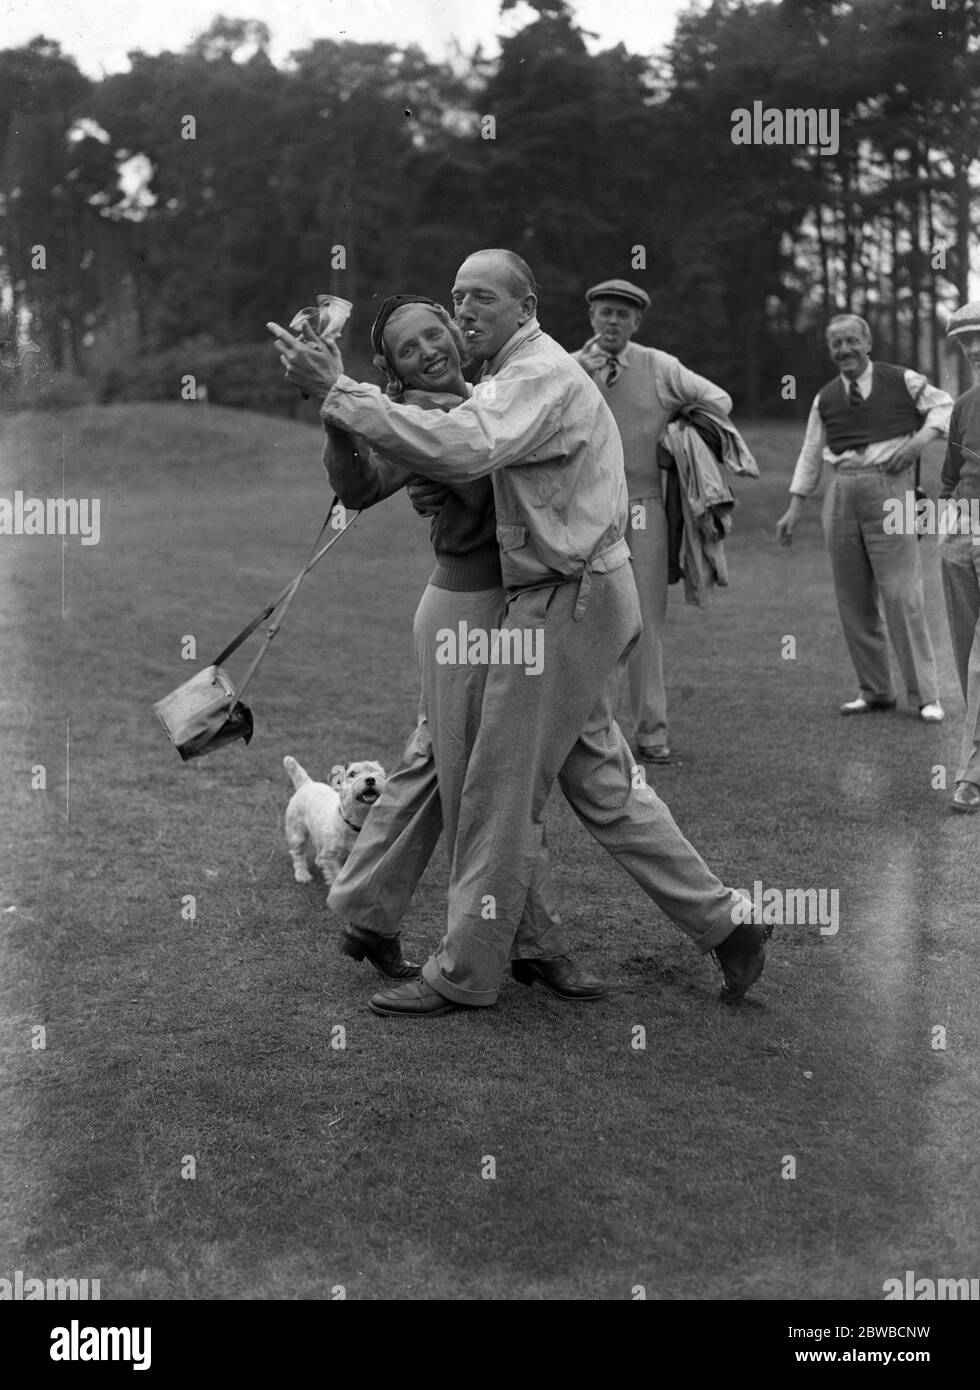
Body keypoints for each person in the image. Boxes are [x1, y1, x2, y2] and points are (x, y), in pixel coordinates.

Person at [270, 249, 770, 1018]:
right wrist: (341, 403)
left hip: (556, 603)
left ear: (526, 304)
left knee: (491, 790)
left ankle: (466, 970)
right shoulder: (496, 382)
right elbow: (378, 473)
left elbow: (467, 443)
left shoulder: (523, 380)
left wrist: (340, 390)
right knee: (596, 784)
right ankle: (724, 924)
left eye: (476, 303)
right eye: (455, 300)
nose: (459, 318)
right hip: (538, 604)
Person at [282, 294, 605, 998]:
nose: (429, 349)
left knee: (435, 768)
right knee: (488, 787)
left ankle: (370, 915)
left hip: (525, 605)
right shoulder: (420, 417)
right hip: (467, 608)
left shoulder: (494, 392)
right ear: (391, 369)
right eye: (408, 348)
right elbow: (359, 488)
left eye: (436, 333)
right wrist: (337, 416)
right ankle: (530, 943)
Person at [573, 279, 734, 763]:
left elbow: (719, 401)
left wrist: (679, 432)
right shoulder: (571, 367)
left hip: (643, 508)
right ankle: (581, 733)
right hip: (584, 510)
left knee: (642, 622)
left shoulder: (659, 366)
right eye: (605, 312)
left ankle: (652, 733)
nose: (613, 322)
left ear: (637, 322)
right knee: (580, 621)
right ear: (592, 317)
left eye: (623, 315)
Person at [776, 314, 953, 719]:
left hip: (892, 488)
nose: (845, 350)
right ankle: (875, 691)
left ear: (867, 341)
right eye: (836, 344)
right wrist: (794, 506)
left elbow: (944, 408)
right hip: (841, 490)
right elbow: (810, 452)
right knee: (853, 597)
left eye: (852, 341)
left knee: (901, 592)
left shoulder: (902, 380)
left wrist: (918, 443)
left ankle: (926, 696)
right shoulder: (825, 397)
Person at [938, 302, 980, 813]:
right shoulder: (965, 404)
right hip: (959, 538)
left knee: (979, 665)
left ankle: (971, 774)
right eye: (967, 345)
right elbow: (950, 477)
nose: (974, 351)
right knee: (963, 652)